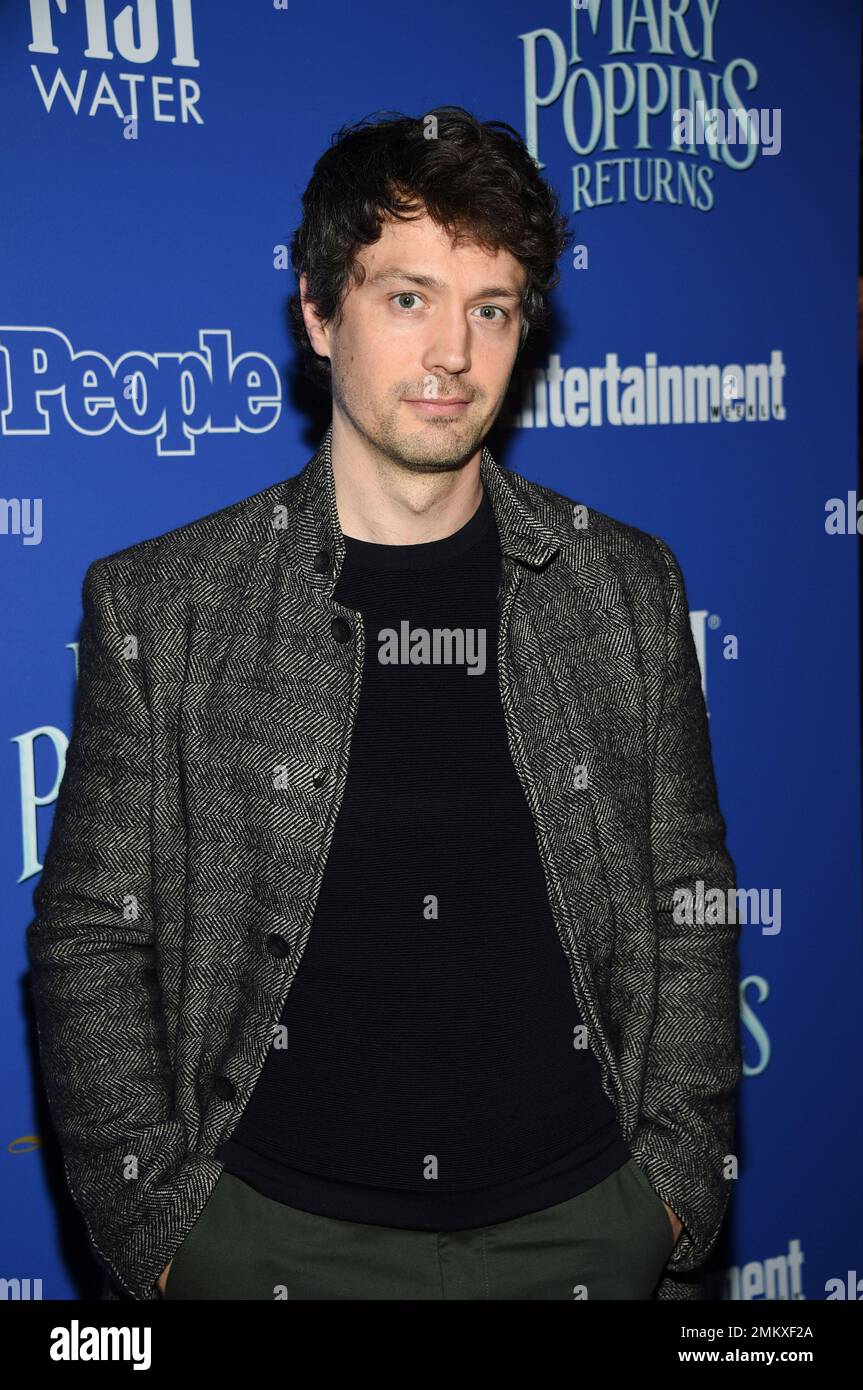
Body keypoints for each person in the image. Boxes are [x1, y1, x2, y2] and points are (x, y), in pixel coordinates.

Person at [27, 106, 741, 1302]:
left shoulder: (625, 585)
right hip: (269, 1245)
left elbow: (690, 894)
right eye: (407, 297)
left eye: (491, 307)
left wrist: (669, 1191)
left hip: (582, 1228)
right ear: (318, 313)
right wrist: (158, 1233)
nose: (452, 353)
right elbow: (92, 936)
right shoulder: (167, 601)